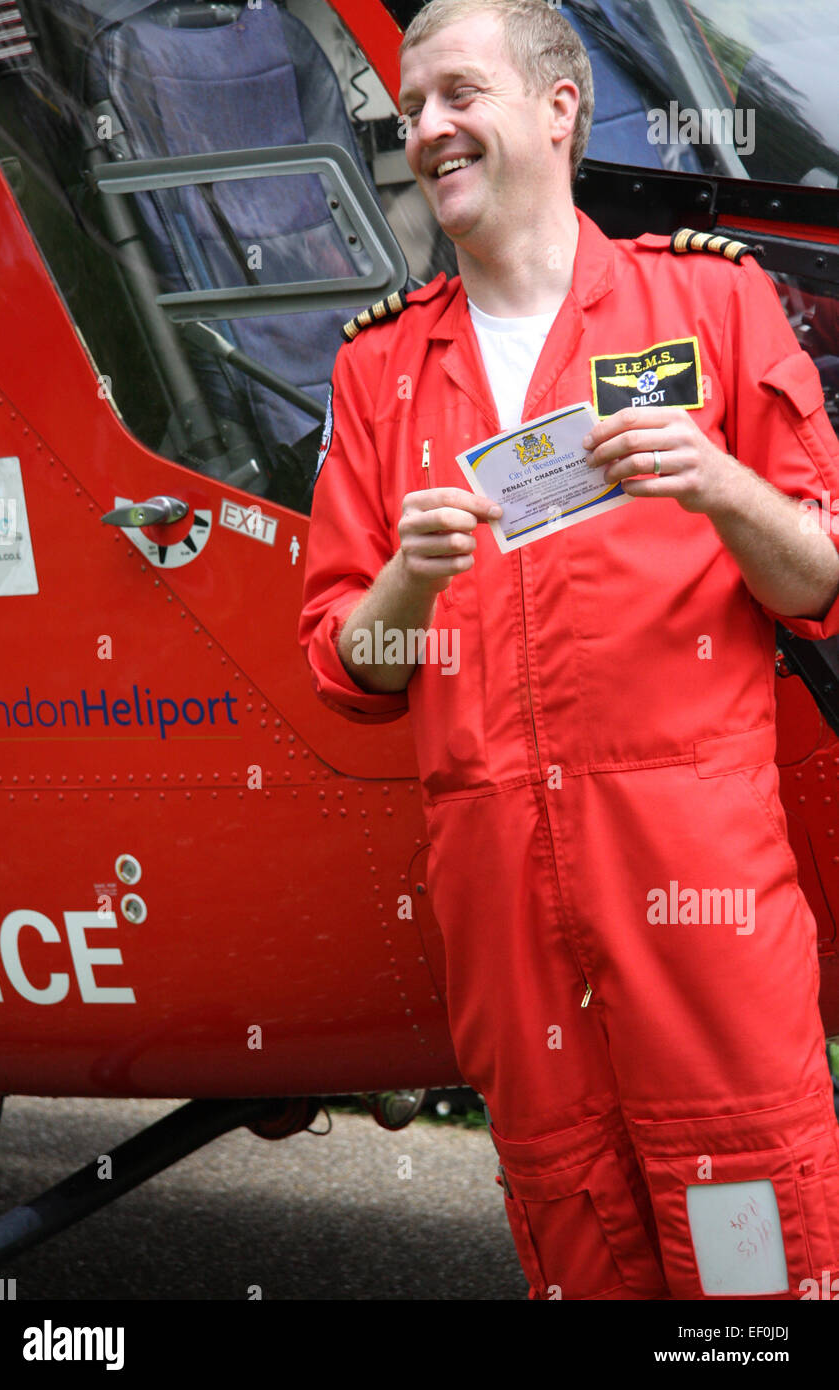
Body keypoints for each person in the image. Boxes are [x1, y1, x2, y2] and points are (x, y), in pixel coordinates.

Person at [299, 0, 839, 1300]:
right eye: (412, 106)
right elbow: (343, 659)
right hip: (512, 936)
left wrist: (717, 482)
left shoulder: (707, 301)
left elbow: (815, 573)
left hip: (697, 915)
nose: (426, 128)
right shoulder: (378, 372)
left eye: (458, 96)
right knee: (573, 1236)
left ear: (558, 108)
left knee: (747, 1250)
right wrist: (410, 580)